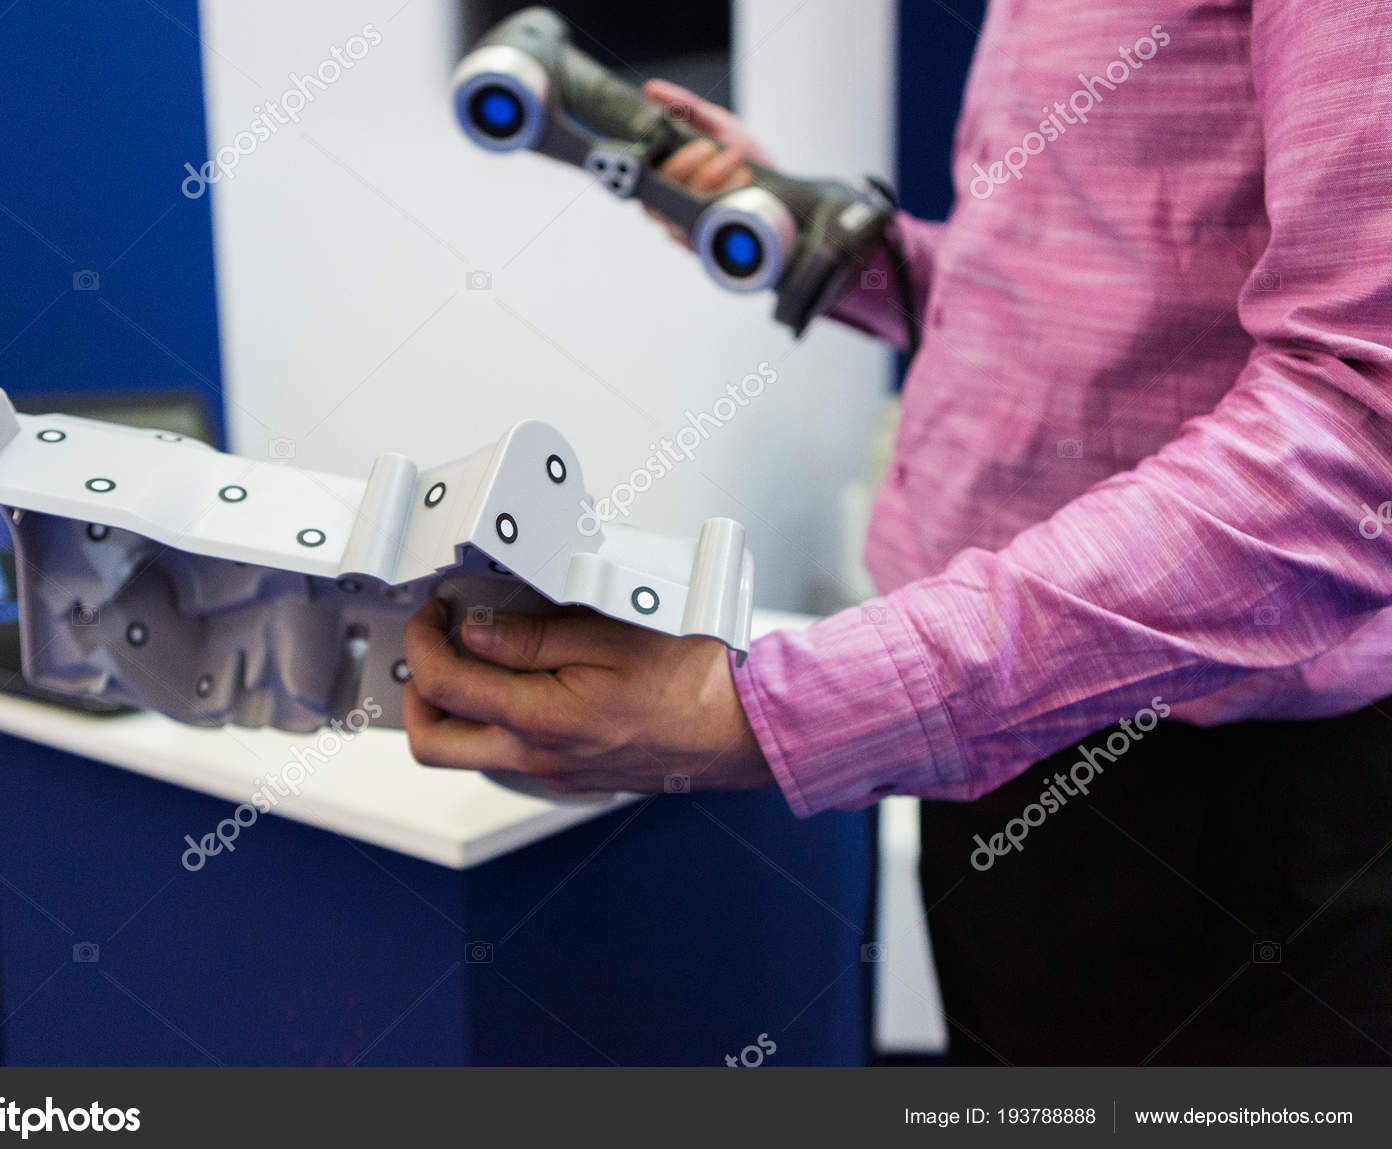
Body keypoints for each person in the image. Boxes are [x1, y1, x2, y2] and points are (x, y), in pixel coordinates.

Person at [403, 1, 1392, 1065]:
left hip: (1226, 799)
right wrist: (828, 248)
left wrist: (760, 709)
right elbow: (1071, 291)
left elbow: (1360, 425)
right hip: (1005, 746)